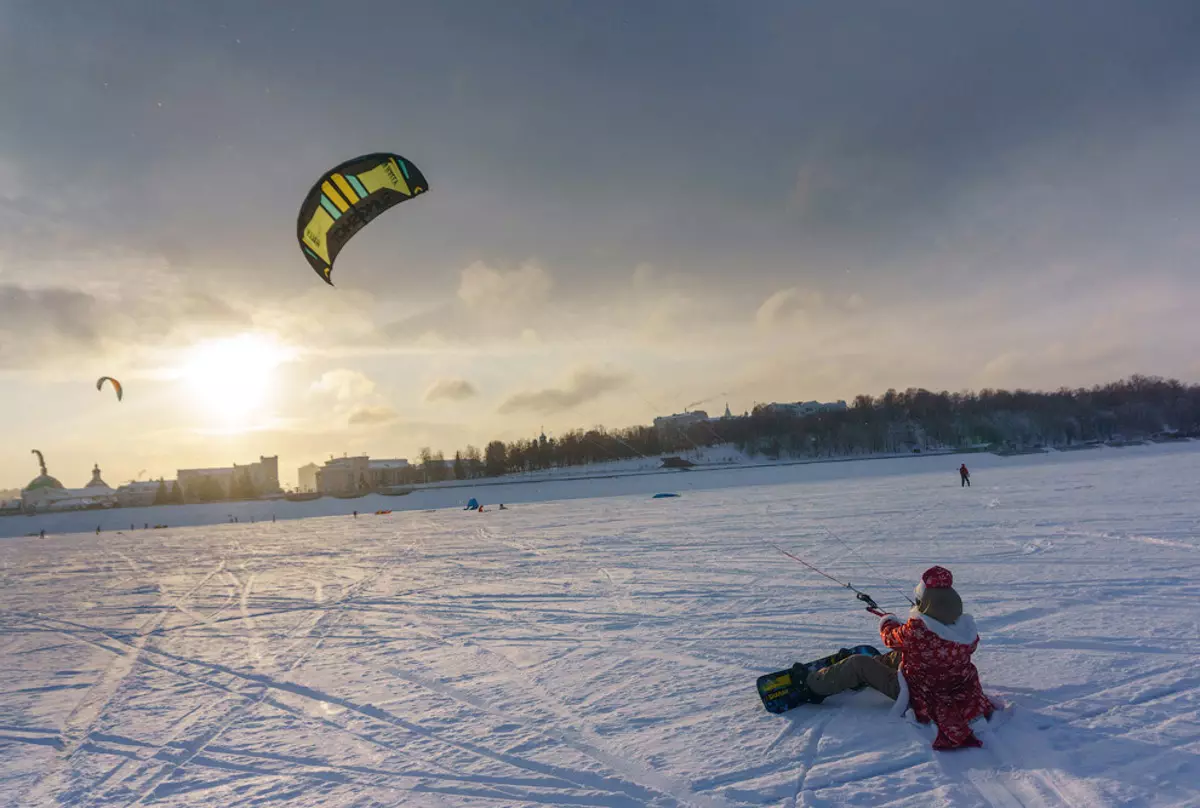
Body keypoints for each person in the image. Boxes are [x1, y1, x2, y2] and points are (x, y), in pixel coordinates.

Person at [796, 566, 994, 750]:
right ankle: (873, 669)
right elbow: (933, 646)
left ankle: (812, 685)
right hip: (957, 686)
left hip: (920, 693)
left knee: (858, 663)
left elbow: (890, 637)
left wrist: (887, 620)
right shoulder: (966, 628)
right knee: (903, 654)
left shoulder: (918, 630)